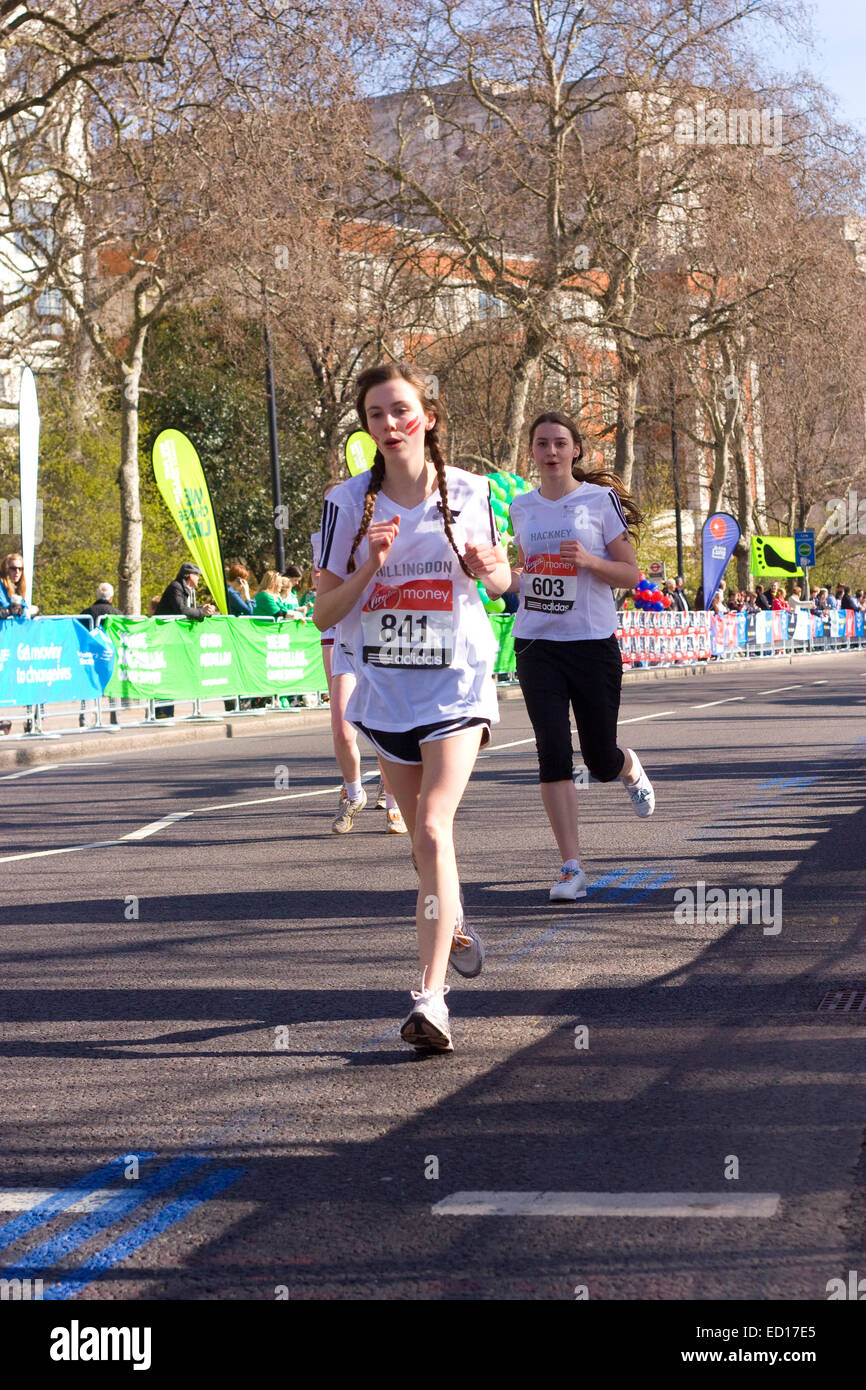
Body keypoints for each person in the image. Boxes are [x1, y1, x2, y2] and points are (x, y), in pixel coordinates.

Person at [314, 361, 510, 1053]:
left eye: (401, 410)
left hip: (455, 681)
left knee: (429, 825)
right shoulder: (345, 503)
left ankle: (431, 1002)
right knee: (429, 852)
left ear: (427, 414)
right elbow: (323, 614)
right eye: (375, 415)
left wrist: (491, 570)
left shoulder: (472, 490)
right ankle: (450, 918)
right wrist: (370, 565)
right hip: (387, 690)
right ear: (365, 426)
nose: (390, 424)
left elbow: (501, 581)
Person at [506, 410, 654, 906]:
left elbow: (631, 573)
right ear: (531, 451)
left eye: (560, 443)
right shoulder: (520, 509)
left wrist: (589, 562)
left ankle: (627, 766)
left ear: (575, 452)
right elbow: (521, 577)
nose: (551, 451)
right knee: (552, 750)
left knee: (598, 756)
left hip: (591, 643)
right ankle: (572, 867)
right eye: (542, 443)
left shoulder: (599, 501)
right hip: (536, 643)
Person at [311, 496, 407, 836]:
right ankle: (353, 794)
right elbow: (321, 595)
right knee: (341, 728)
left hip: (381, 641)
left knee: (380, 731)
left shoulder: (385, 529)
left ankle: (395, 803)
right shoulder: (321, 539)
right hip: (345, 642)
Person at [77, 582, 121, 727]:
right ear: (112, 597)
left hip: (91, 658)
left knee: (90, 686)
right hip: (111, 657)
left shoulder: (86, 613)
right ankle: (116, 720)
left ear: (97, 595)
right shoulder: (118, 615)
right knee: (113, 685)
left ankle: (86, 720)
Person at [0, 553, 38, 617]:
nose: (17, 572)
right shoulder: (1, 586)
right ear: (6, 569)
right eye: (13, 568)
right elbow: (5, 606)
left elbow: (23, 608)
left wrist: (29, 611)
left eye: (20, 569)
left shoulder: (17, 587)